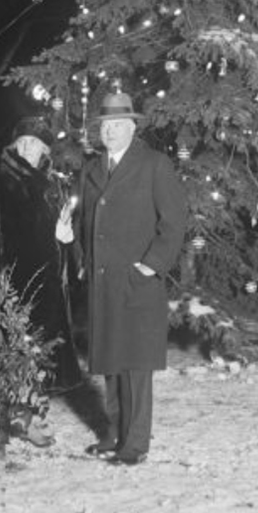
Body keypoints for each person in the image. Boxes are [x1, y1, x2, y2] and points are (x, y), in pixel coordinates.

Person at [75, 91, 187, 466]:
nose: (110, 131)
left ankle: (135, 443)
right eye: (105, 125)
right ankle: (114, 432)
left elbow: (174, 222)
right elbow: (85, 222)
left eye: (118, 124)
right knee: (110, 360)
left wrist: (151, 265)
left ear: (132, 128)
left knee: (136, 365)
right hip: (103, 282)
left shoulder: (154, 165)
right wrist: (80, 258)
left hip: (137, 281)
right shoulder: (92, 169)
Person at [0, 116, 82, 447]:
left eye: (36, 144)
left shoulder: (54, 186)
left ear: (45, 150)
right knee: (11, 351)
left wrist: (66, 238)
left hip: (47, 284)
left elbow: (62, 234)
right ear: (14, 147)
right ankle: (17, 418)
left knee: (40, 352)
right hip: (11, 284)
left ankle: (31, 412)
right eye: (24, 143)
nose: (29, 149)